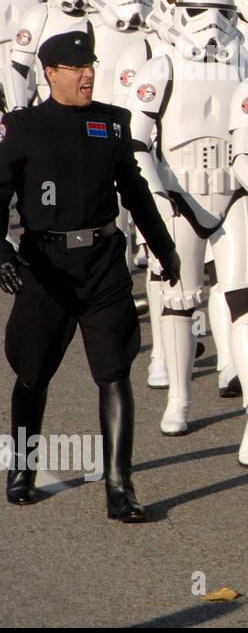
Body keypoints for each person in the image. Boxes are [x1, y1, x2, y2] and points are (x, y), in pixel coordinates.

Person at [1, 30, 180, 520]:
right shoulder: (21, 128)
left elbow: (136, 194)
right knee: (33, 374)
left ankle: (120, 487)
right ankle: (23, 467)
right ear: (50, 73)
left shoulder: (112, 124)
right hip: (47, 268)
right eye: (75, 68)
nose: (87, 74)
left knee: (115, 372)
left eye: (91, 66)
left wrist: (164, 248)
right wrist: (2, 252)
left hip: (103, 263)